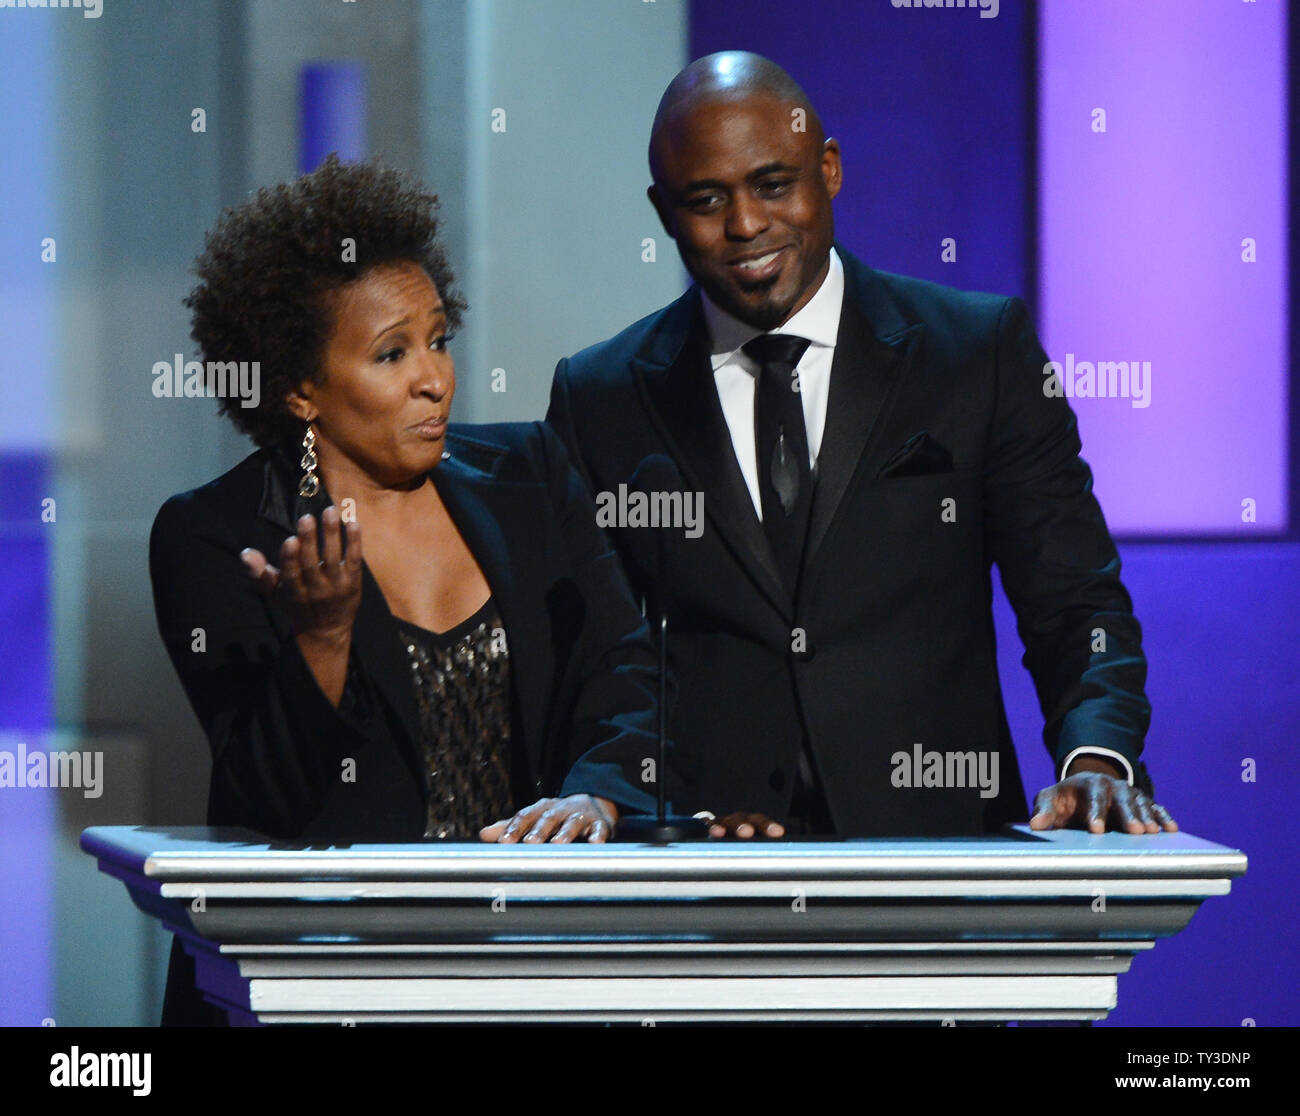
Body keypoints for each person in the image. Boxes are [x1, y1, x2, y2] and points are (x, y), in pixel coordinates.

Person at [546, 52, 1177, 841]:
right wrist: (633, 803)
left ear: (829, 170)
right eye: (706, 200)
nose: (745, 225)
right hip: (703, 877)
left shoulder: (975, 353)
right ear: (663, 211)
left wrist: (1098, 757)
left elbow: (1075, 602)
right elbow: (595, 657)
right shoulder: (601, 395)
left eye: (773, 184)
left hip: (943, 863)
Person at [151, 155, 660, 1024]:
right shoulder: (218, 534)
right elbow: (268, 796)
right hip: (316, 986)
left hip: (526, 979)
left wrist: (602, 790)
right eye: (392, 353)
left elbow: (632, 671)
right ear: (301, 390)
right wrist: (322, 639)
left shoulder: (531, 475)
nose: (435, 378)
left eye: (438, 339)